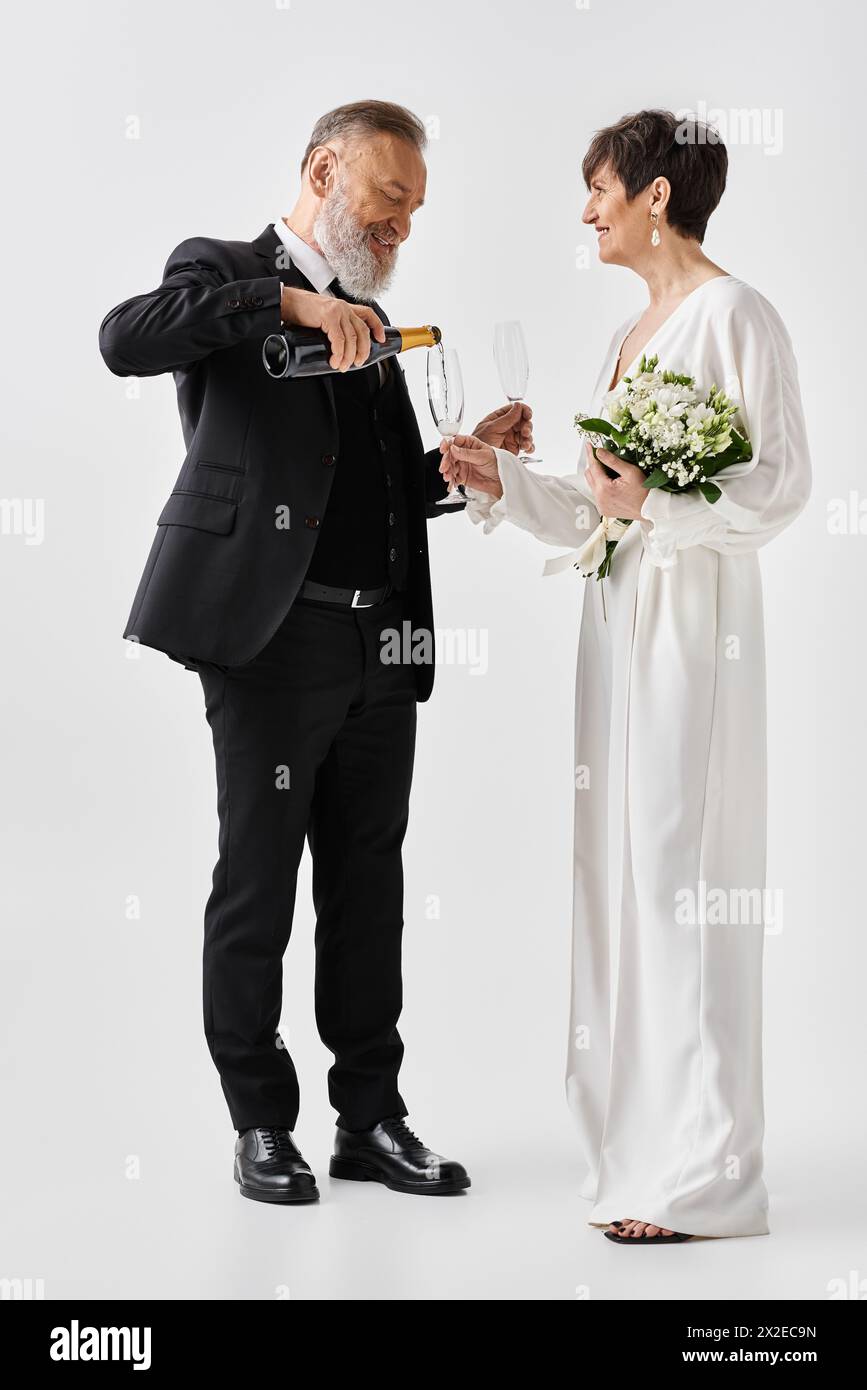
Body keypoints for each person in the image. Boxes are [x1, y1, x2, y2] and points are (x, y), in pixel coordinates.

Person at [99, 99, 532, 1204]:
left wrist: (467, 464)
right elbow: (125, 337)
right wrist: (281, 299)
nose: (399, 231)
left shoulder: (369, 325)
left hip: (379, 638)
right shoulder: (223, 275)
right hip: (271, 639)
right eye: (389, 201)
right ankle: (259, 1123)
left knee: (368, 886)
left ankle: (371, 1119)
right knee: (258, 883)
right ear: (325, 170)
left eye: (412, 215)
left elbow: (387, 487)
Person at [440, 109, 811, 1242]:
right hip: (620, 619)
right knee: (623, 880)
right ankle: (644, 1147)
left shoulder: (735, 314)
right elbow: (600, 510)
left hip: (693, 625)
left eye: (598, 186)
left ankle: (715, 1175)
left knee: (682, 872)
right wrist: (499, 480)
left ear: (658, 195)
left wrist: (663, 506)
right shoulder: (627, 335)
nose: (586, 208)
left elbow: (781, 489)